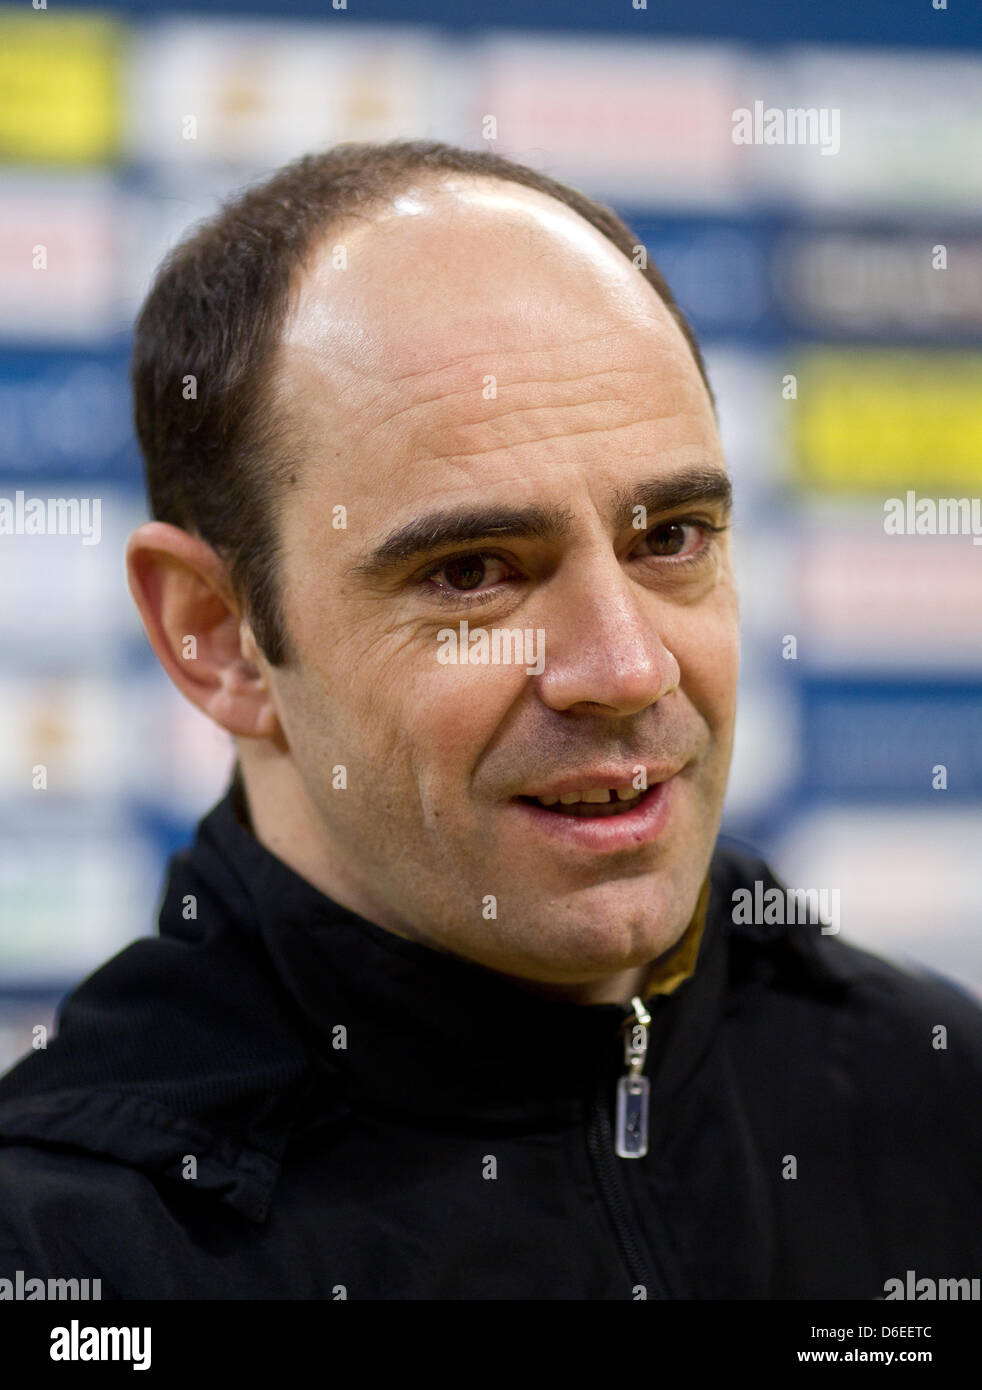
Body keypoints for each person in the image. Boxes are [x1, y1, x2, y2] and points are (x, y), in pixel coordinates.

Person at [0, 141, 979, 1300]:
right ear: (219, 633)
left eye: (670, 537)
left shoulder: (929, 1085)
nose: (623, 668)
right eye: (472, 571)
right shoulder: (68, 1252)